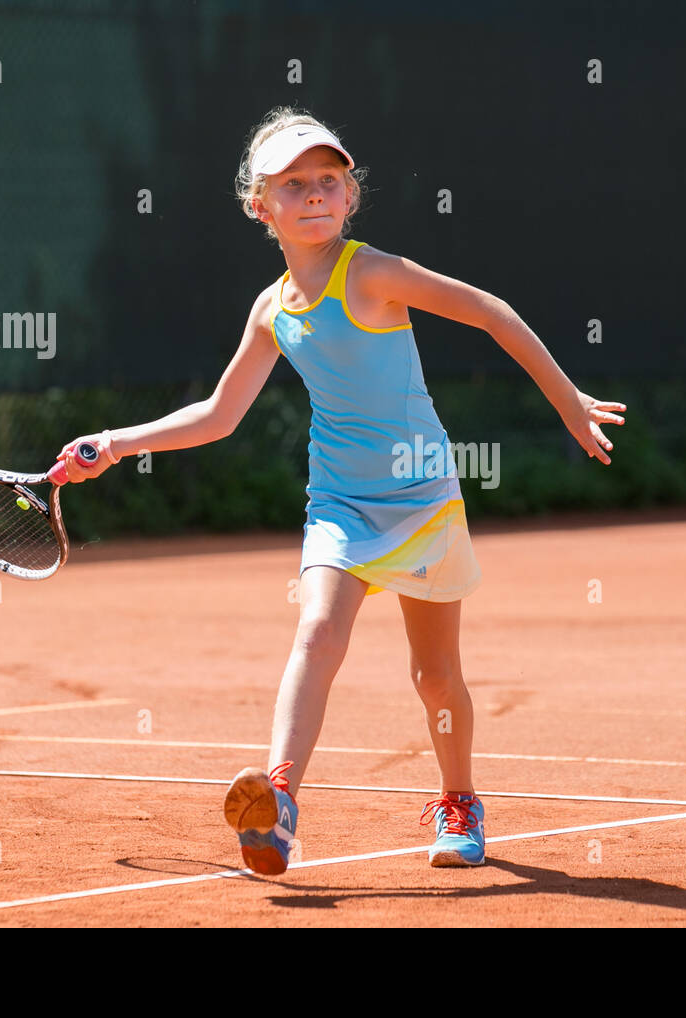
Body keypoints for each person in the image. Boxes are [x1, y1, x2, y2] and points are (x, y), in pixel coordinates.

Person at [56, 106, 626, 874]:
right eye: (295, 184)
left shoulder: (374, 272)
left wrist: (568, 402)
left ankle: (460, 803)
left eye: (330, 179)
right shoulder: (273, 309)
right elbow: (221, 415)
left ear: (350, 196)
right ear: (262, 206)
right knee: (317, 633)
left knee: (433, 676)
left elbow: (489, 312)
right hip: (339, 503)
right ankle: (279, 802)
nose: (316, 193)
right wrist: (119, 443)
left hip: (422, 500)